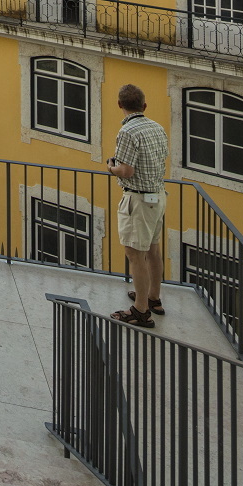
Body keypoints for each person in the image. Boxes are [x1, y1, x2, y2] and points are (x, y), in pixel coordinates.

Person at [108, 83, 169, 328]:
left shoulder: (127, 132)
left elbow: (127, 170)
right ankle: (153, 297)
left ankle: (140, 311)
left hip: (139, 200)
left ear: (120, 105)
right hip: (158, 196)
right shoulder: (157, 127)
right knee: (153, 251)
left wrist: (111, 168)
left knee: (135, 255)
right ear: (144, 105)